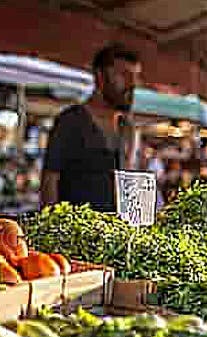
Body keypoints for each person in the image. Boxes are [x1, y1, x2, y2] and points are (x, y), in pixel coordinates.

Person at [40, 44, 141, 212]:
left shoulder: (127, 128)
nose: (132, 84)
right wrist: (51, 226)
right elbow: (50, 180)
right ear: (100, 77)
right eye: (124, 75)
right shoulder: (71, 121)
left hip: (116, 234)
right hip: (76, 232)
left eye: (135, 76)